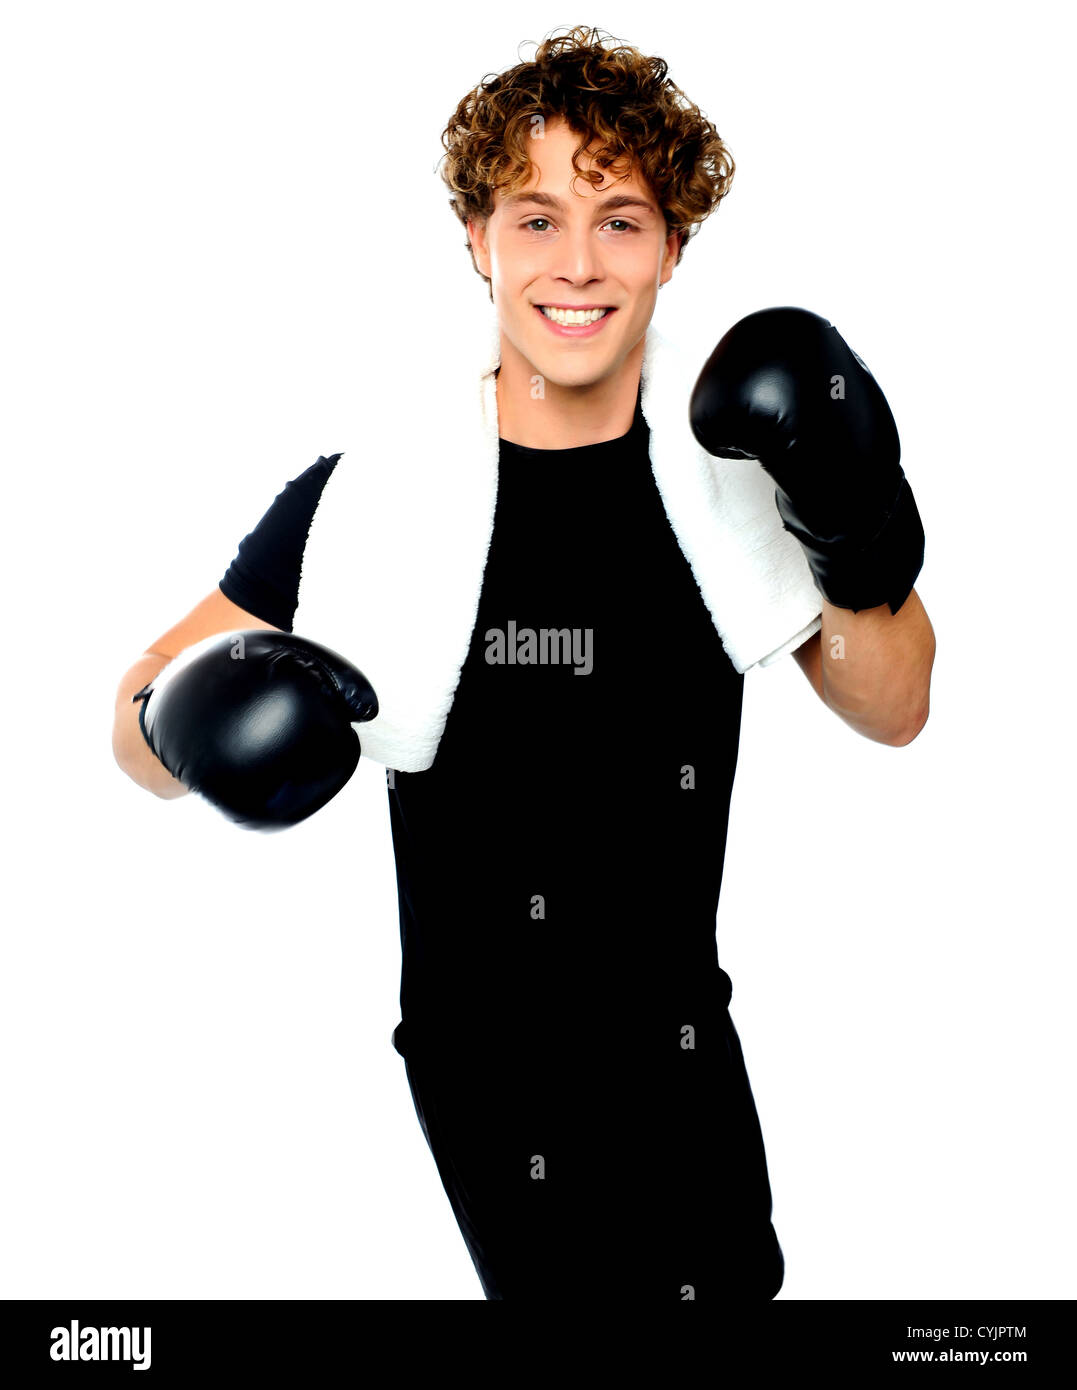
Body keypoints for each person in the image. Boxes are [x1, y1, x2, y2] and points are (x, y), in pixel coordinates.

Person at [112, 25, 935, 1300]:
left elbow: (895, 706)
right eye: (537, 219)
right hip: (493, 1083)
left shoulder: (728, 486)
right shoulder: (369, 503)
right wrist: (186, 715)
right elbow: (135, 707)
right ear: (478, 242)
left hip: (686, 1053)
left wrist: (850, 512)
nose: (577, 264)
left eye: (619, 219)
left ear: (673, 247)